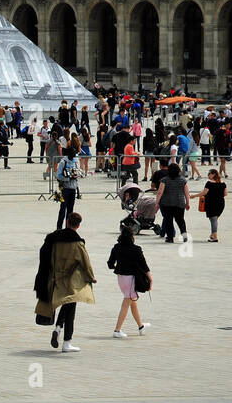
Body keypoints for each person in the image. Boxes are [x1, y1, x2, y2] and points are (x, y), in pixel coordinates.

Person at [35, 211, 96, 353]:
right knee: (71, 306)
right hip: (71, 280)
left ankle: (59, 330)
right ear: (78, 225)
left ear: (67, 222)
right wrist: (91, 277)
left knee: (68, 305)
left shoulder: (53, 239)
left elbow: (44, 255)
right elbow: (85, 262)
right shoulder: (77, 243)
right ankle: (66, 340)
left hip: (55, 277)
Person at [107, 227, 151, 337]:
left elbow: (110, 264)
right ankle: (117, 331)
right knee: (126, 302)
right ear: (132, 236)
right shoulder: (136, 249)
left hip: (121, 278)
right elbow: (144, 265)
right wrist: (150, 279)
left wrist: (118, 266)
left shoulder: (116, 247)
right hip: (131, 279)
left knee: (132, 301)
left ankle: (141, 327)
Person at [157, 162, 190, 243]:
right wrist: (187, 203)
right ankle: (184, 234)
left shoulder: (164, 180)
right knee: (180, 220)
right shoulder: (183, 180)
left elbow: (160, 192)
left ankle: (170, 238)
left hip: (167, 203)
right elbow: (186, 192)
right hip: (180, 203)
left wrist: (157, 203)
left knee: (168, 220)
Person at [54, 145, 81, 230]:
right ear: (69, 153)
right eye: (73, 152)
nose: (75, 154)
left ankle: (68, 228)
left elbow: (78, 173)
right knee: (63, 209)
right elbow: (58, 176)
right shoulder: (63, 162)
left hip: (73, 189)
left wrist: (77, 188)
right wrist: (68, 178)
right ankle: (59, 228)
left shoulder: (76, 161)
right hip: (65, 189)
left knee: (70, 210)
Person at [198, 168, 225, 242]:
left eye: (209, 174)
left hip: (211, 203)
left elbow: (204, 192)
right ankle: (213, 234)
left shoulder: (209, 183)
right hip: (221, 203)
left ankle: (215, 236)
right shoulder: (223, 183)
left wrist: (194, 196)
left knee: (213, 219)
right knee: (214, 219)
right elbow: (225, 193)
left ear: (213, 174)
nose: (208, 175)